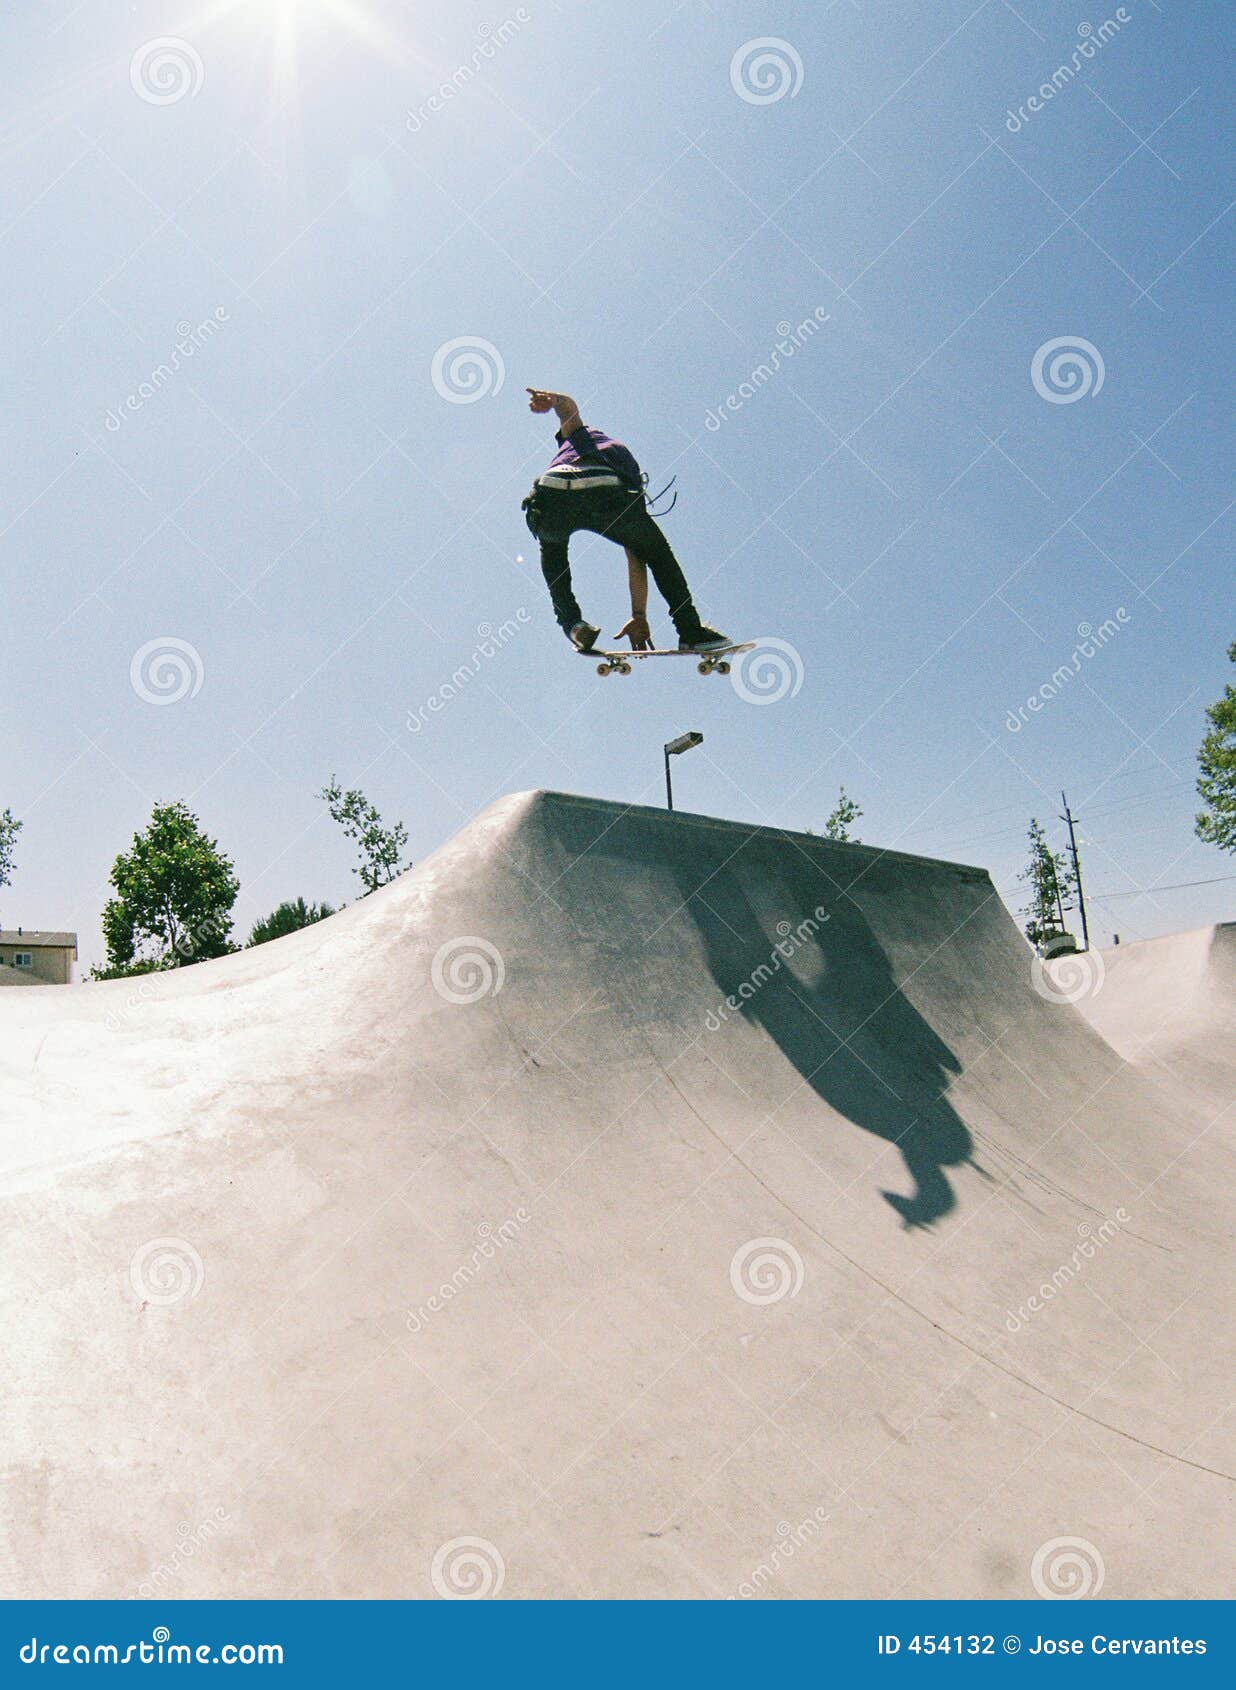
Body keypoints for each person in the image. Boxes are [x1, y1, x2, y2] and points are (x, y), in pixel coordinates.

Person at [522, 388, 729, 654]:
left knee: (552, 554)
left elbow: (569, 411)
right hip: (606, 492)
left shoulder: (575, 437)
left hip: (548, 496)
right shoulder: (610, 454)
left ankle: (573, 626)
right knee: (659, 556)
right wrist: (639, 614)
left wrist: (554, 401)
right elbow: (637, 557)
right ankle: (690, 630)